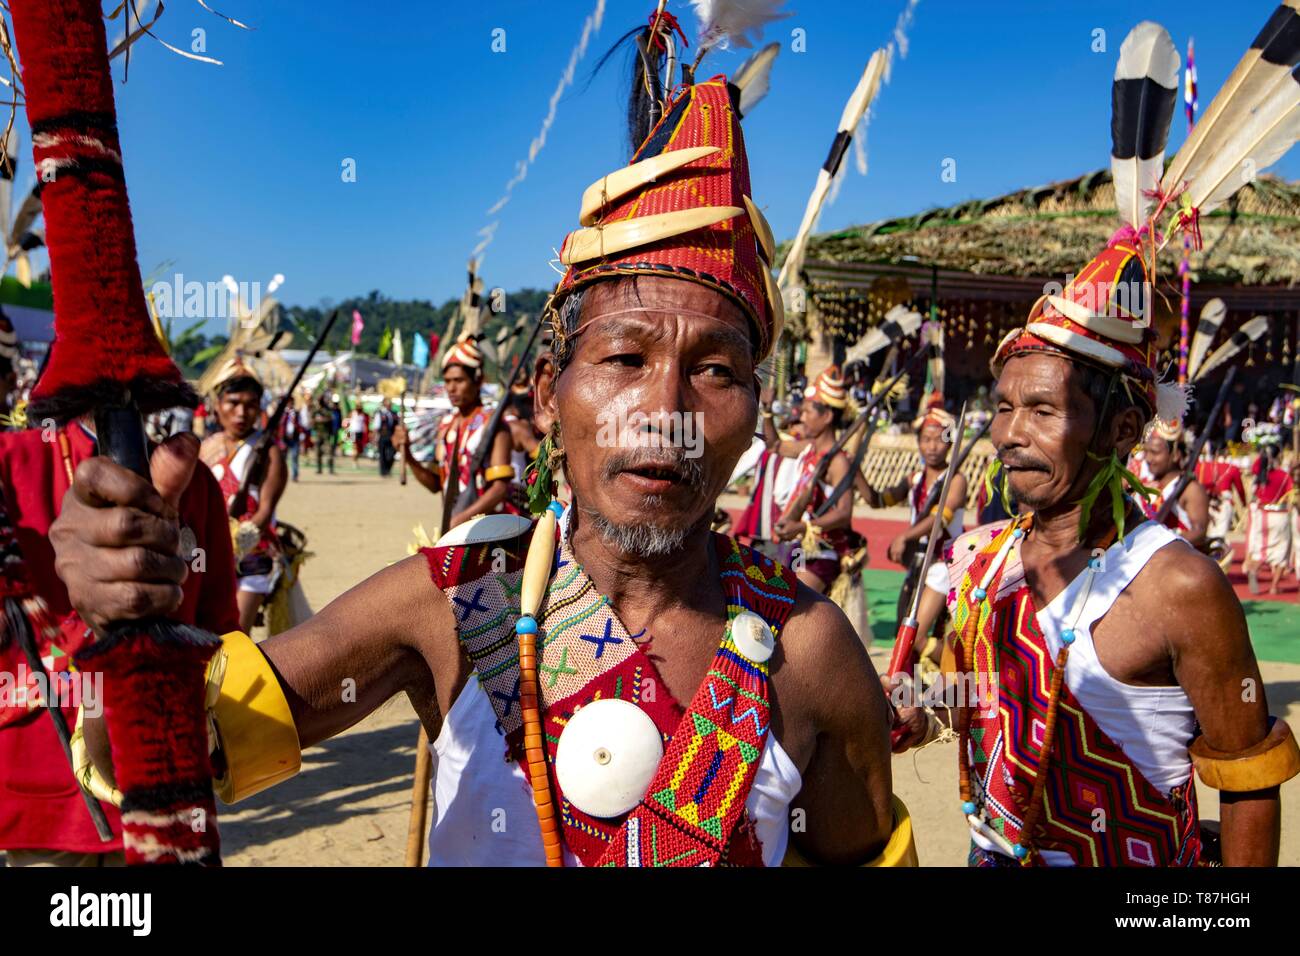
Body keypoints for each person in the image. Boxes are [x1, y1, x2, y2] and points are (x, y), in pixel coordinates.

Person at [55, 68, 910, 867]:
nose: (665, 408)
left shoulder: (809, 653)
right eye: (622, 357)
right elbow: (163, 756)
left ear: (755, 409)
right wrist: (123, 629)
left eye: (717, 370)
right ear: (548, 392)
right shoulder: (454, 600)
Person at [891, 232, 1297, 866]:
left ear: (1122, 429)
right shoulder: (982, 558)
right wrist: (919, 713)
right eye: (1003, 407)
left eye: (1043, 411)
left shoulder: (1179, 587)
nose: (1010, 434)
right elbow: (977, 700)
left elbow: (1249, 776)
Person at [861, 398, 968, 663]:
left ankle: (962, 677)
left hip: (944, 564)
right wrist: (854, 473)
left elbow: (938, 520)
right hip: (919, 562)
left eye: (938, 440)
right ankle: (909, 688)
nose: (932, 446)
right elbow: (878, 500)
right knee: (904, 633)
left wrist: (904, 536)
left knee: (916, 636)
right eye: (926, 439)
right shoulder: (915, 479)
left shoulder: (956, 480)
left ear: (950, 443)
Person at [199, 365, 288, 632]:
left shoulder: (269, 452)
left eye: (250, 405)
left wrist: (244, 535)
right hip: (207, 556)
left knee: (235, 634)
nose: (241, 413)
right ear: (217, 405)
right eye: (233, 403)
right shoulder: (205, 447)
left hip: (251, 556)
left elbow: (266, 508)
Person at [395, 334, 519, 526]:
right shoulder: (445, 426)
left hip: (492, 529)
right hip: (455, 528)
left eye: (459, 380)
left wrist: (461, 519)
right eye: (447, 381)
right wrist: (409, 457)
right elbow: (436, 484)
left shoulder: (494, 425)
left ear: (477, 381)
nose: (451, 388)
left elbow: (500, 488)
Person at [762, 367, 862, 595]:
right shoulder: (808, 448)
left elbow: (844, 513)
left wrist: (804, 526)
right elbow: (774, 445)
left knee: (787, 608)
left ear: (826, 416)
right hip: (797, 550)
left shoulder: (837, 462)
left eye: (808, 412)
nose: (802, 416)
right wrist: (767, 413)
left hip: (822, 552)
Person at [1136, 420, 1209, 547]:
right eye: (1146, 452)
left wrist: (1158, 544)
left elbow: (1199, 532)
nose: (1147, 459)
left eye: (1154, 452)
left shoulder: (1190, 489)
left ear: (1175, 455)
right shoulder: (1145, 485)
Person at [1244, 439, 1293, 595]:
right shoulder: (1284, 476)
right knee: (1281, 551)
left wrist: (1264, 455)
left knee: (1261, 550)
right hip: (1279, 515)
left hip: (1262, 515)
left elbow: (1257, 465)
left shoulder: (1260, 474)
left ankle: (1254, 570)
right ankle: (1274, 586)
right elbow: (1290, 495)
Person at [312, 395, 336, 475]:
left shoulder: (327, 410)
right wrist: (315, 421)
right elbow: (312, 421)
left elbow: (331, 418)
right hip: (318, 434)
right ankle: (319, 469)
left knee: (329, 451)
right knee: (318, 452)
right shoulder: (315, 410)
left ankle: (330, 469)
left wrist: (323, 420)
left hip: (326, 434)